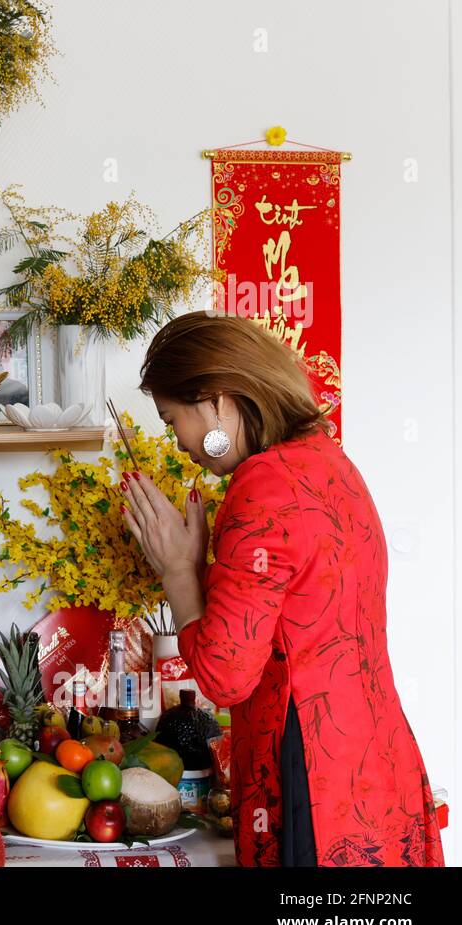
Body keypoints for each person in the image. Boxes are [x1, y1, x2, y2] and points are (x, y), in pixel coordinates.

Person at [119, 310, 444, 867]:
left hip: (311, 779)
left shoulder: (263, 485)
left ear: (215, 399)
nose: (178, 446)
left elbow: (225, 674)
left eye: (173, 422)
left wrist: (177, 571)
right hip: (373, 766)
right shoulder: (329, 463)